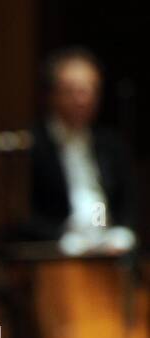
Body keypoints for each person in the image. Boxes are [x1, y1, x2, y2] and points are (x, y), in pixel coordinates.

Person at [26, 47, 137, 251]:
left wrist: (122, 232)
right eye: (72, 91)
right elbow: (23, 216)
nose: (81, 100)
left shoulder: (111, 144)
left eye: (89, 91)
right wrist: (63, 239)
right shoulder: (31, 144)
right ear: (52, 94)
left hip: (108, 250)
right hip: (58, 252)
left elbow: (128, 203)